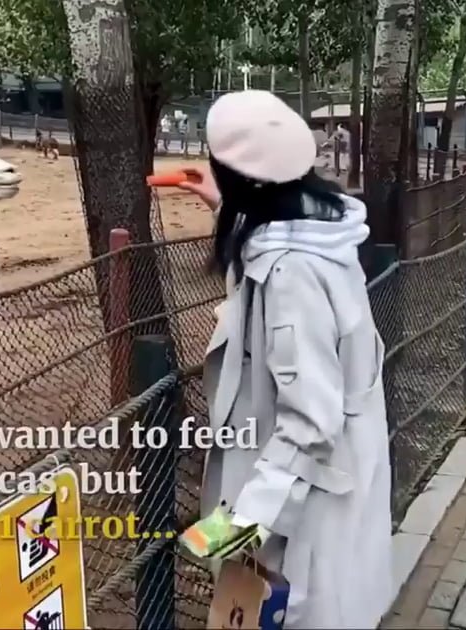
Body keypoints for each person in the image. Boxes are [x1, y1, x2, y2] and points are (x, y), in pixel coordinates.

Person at [176, 90, 393, 629]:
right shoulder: (322, 232)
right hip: (329, 491)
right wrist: (228, 207)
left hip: (302, 524)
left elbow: (310, 425)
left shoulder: (293, 272)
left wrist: (236, 531)